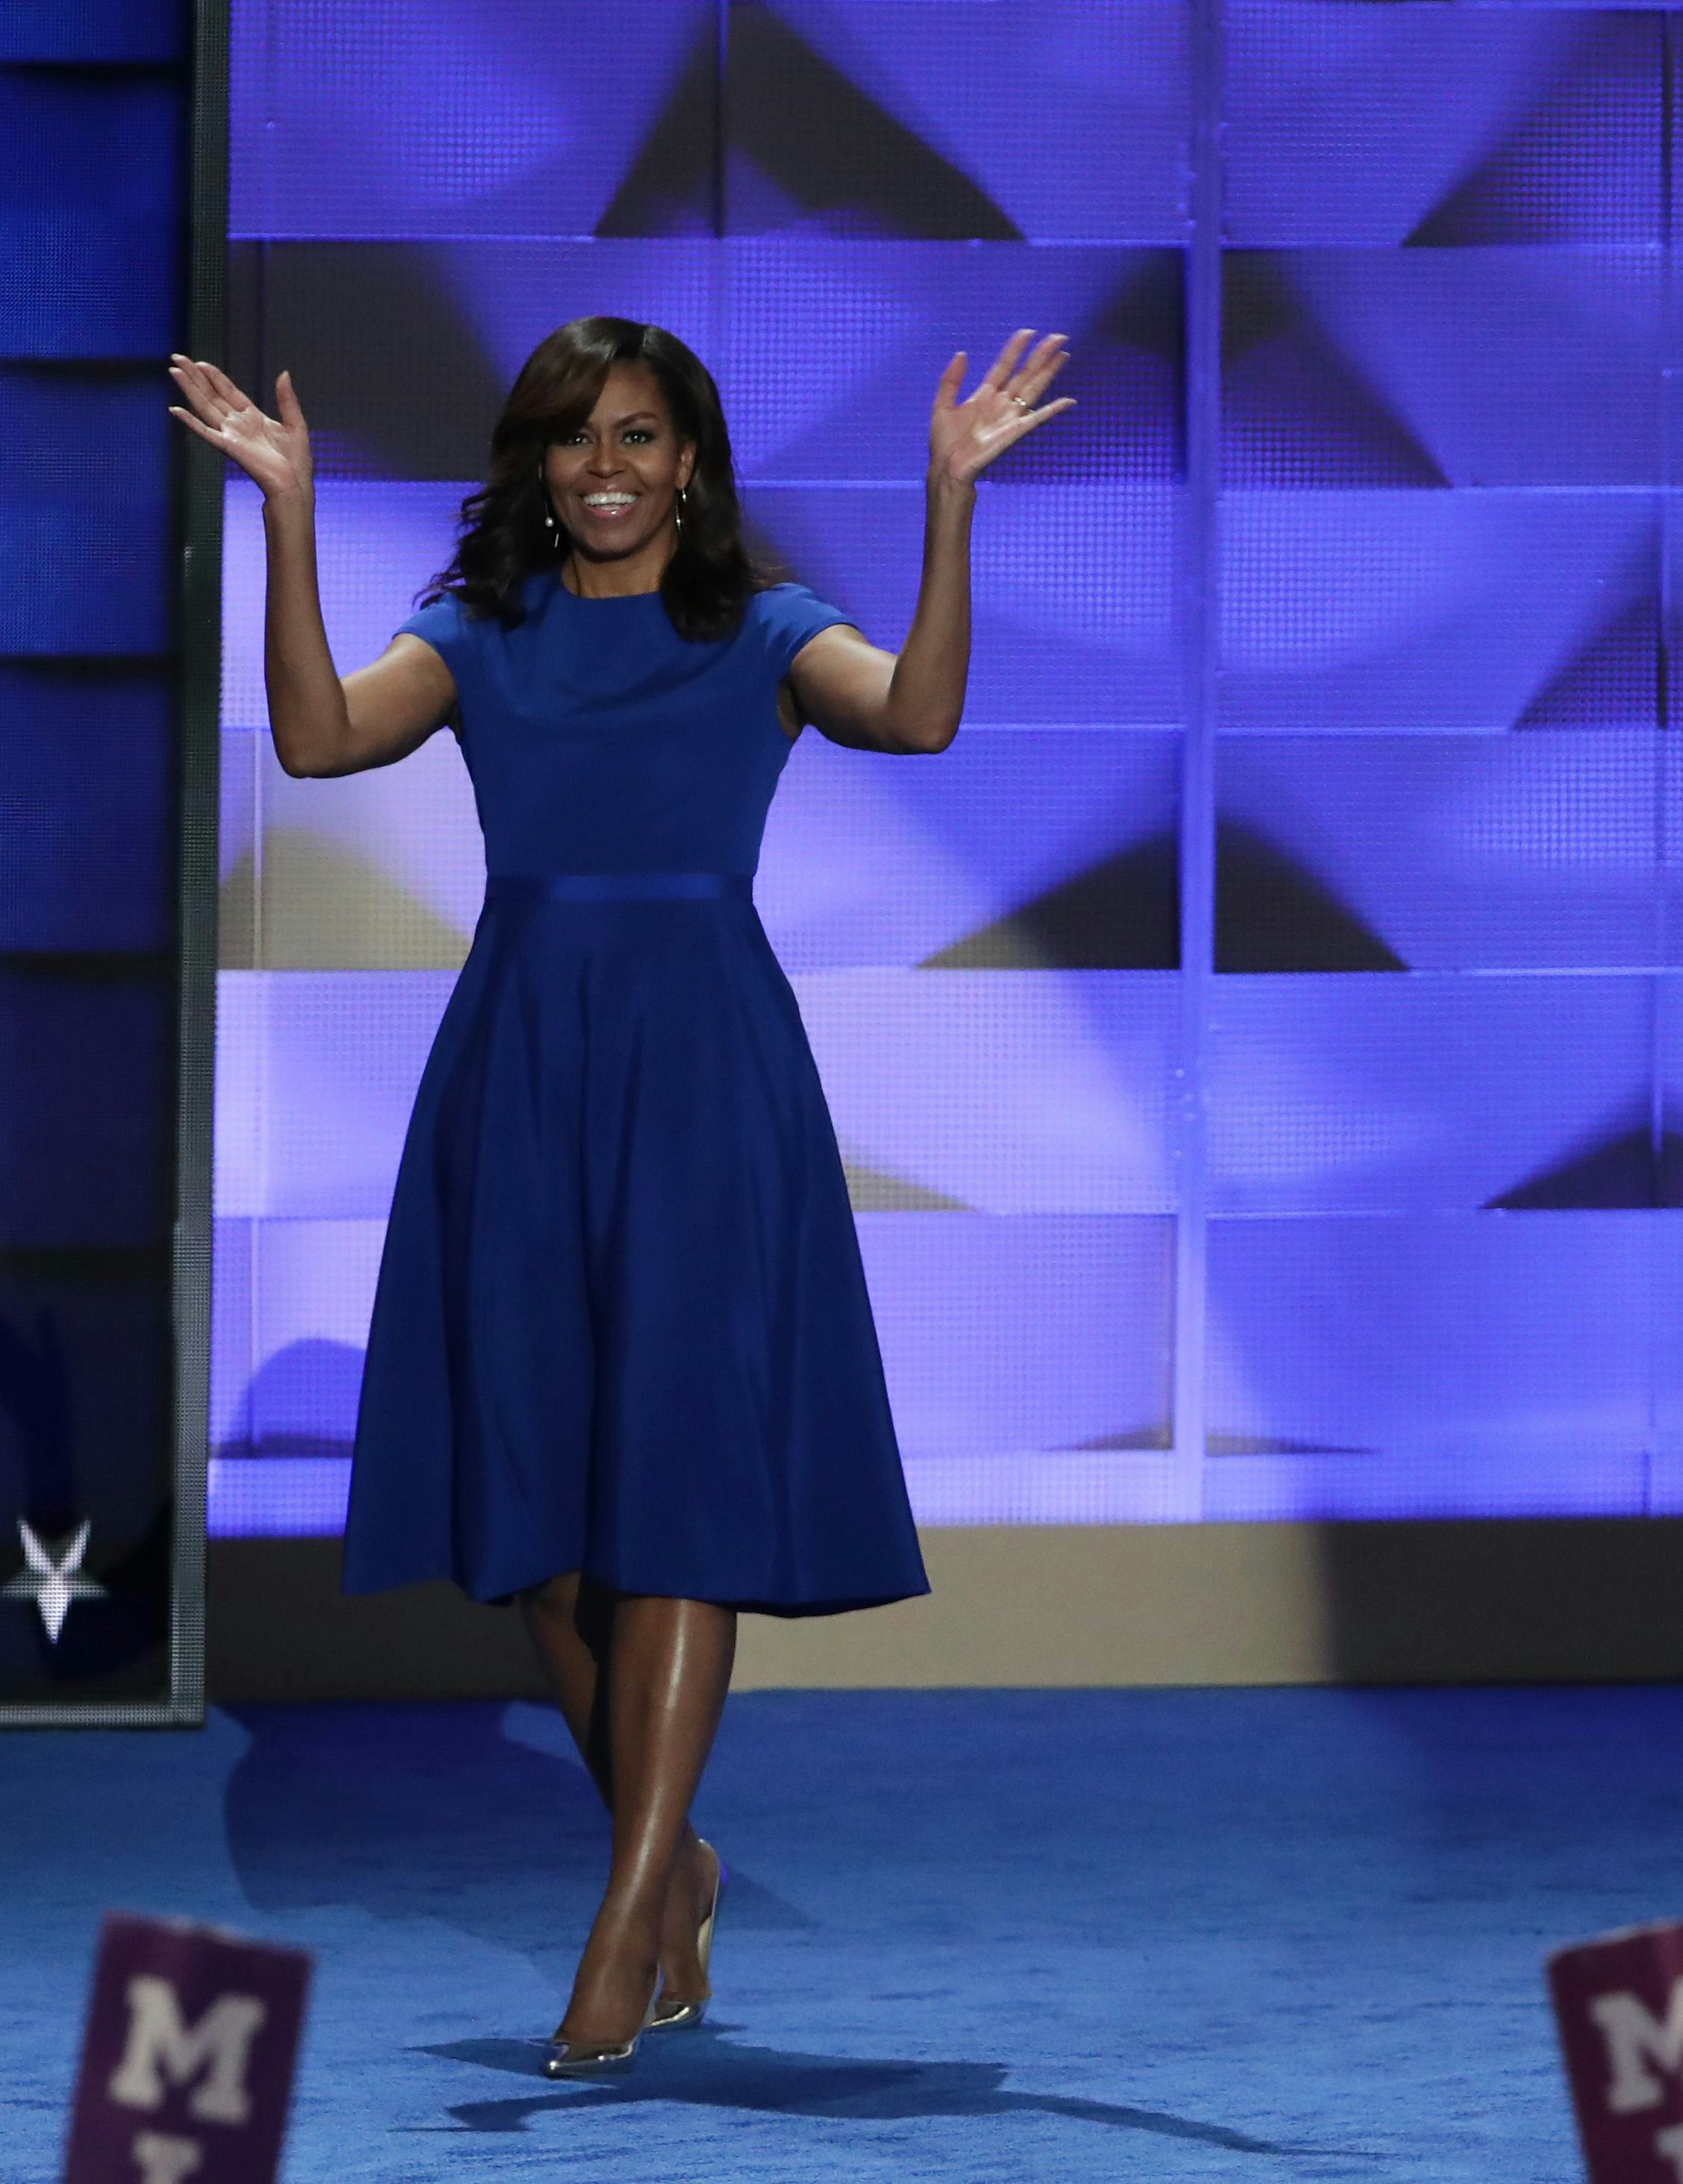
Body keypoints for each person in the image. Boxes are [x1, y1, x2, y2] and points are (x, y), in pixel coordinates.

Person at [169, 316, 1070, 2077]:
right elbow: (316, 741)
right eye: (578, 437)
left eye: (641, 436)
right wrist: (287, 514)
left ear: (691, 465)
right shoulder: (481, 632)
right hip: (520, 1072)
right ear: (536, 460)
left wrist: (951, 502)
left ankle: (623, 1919)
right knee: (546, 1548)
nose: (607, 465)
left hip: (706, 1080)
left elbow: (923, 715)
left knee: (677, 1506)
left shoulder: (759, 628)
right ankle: (687, 1868)